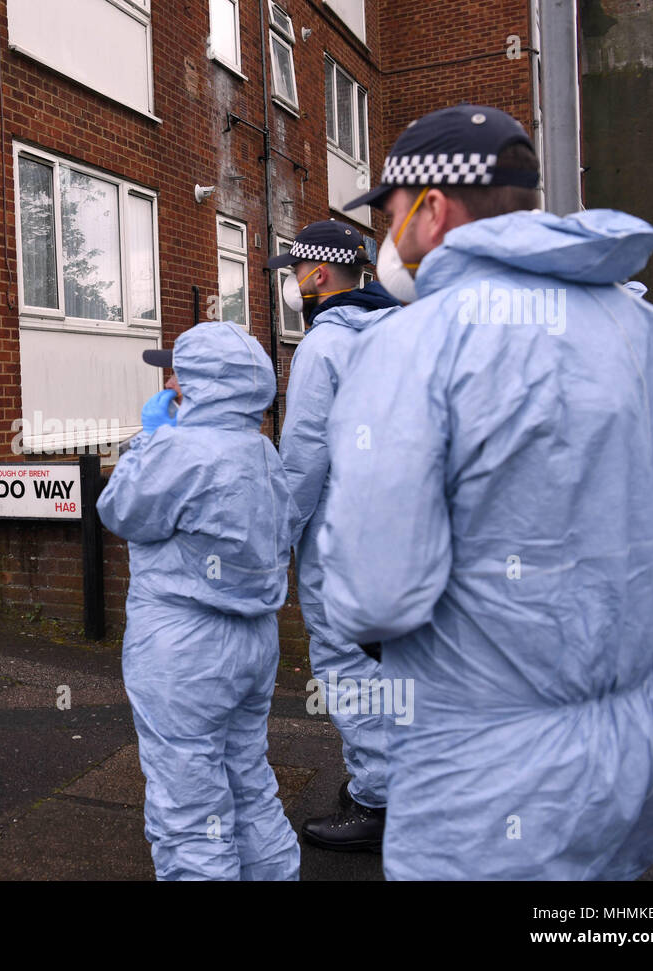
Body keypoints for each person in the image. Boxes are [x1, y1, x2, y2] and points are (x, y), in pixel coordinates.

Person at [320, 103, 653, 879]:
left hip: (494, 773)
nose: (382, 239)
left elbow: (376, 595)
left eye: (389, 214)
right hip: (650, 749)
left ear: (432, 211)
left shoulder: (415, 346)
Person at [98, 321, 301, 881]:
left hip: (184, 649)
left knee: (190, 807)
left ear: (204, 383)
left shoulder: (179, 449)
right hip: (254, 640)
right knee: (250, 781)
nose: (172, 381)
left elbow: (120, 512)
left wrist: (150, 439)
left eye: (179, 372)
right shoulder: (262, 450)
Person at [269, 221, 400, 850]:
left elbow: (304, 459)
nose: (291, 284)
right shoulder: (403, 330)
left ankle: (378, 804)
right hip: (405, 534)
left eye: (293, 272)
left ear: (319, 276)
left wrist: (276, 539)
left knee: (349, 666)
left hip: (343, 539)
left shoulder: (323, 346)